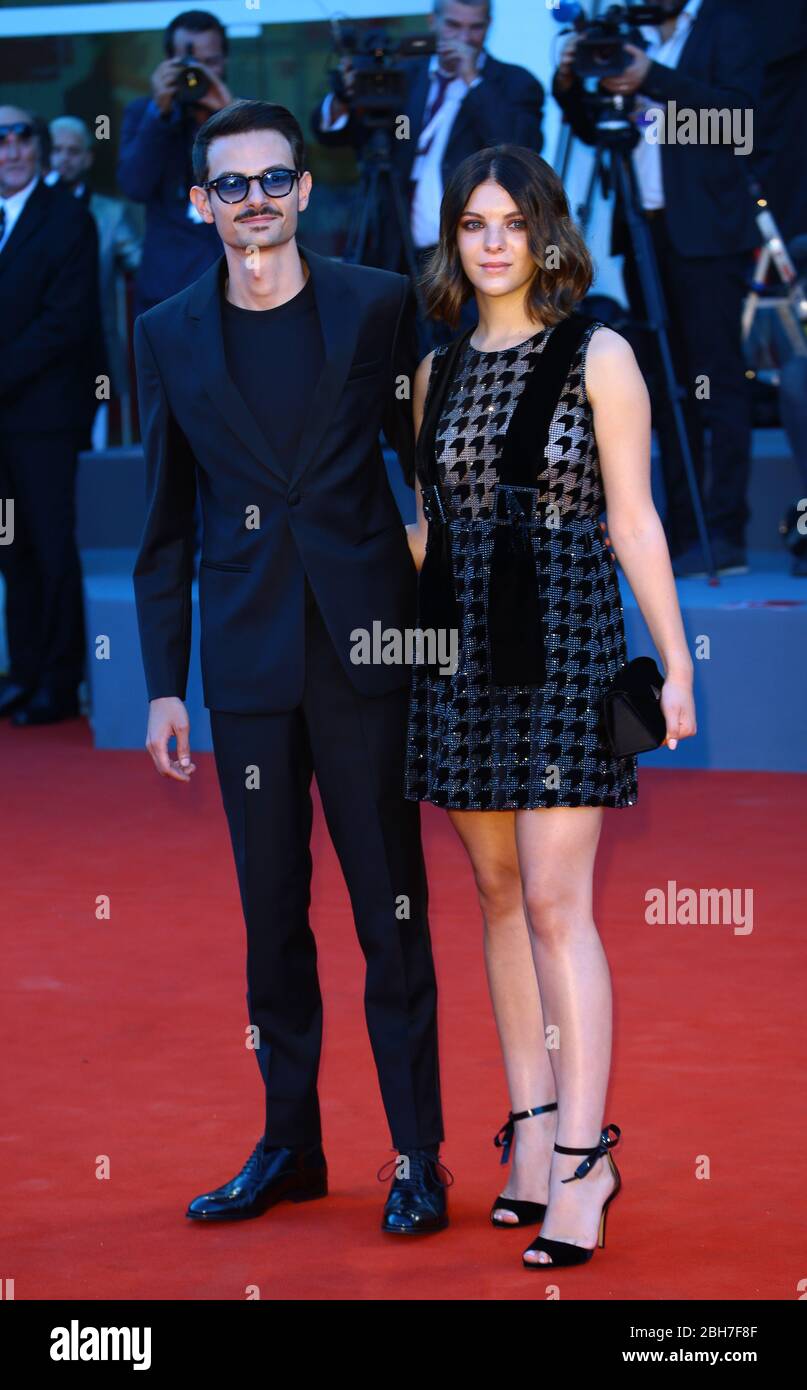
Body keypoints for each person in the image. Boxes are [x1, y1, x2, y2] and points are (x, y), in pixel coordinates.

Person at [131, 99, 449, 1235]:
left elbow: (436, 476)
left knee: (390, 912)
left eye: (275, 181)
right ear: (199, 200)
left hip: (369, 656)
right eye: (233, 185)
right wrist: (164, 681)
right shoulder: (167, 327)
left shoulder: (377, 304)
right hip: (249, 668)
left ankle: (418, 1154)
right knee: (271, 920)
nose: (255, 200)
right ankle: (290, 1143)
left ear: (305, 193)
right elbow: (164, 522)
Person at [403, 144, 696, 1266]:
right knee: (493, 892)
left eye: (510, 223)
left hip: (567, 642)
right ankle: (527, 1134)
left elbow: (637, 520)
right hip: (462, 655)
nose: (490, 243)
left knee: (559, 903)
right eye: (472, 223)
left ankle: (585, 1157)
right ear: (453, 237)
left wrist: (676, 659)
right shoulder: (433, 374)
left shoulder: (599, 352)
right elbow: (432, 530)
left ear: (545, 235)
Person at [554, 0, 762, 577]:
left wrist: (652, 77)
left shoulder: (729, 26)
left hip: (709, 236)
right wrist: (572, 83)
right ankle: (683, 530)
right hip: (647, 232)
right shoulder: (629, 35)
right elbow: (596, 129)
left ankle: (725, 531)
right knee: (668, 389)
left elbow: (739, 123)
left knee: (715, 382)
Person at [312, 0, 543, 345]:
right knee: (392, 353)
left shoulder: (513, 83)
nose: (463, 37)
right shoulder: (405, 74)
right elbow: (335, 133)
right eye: (453, 26)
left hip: (465, 254)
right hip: (395, 247)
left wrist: (472, 79)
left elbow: (517, 146)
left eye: (475, 27)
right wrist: (344, 96)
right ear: (432, 22)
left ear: (489, 25)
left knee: (464, 352)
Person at [0, 107, 102, 725]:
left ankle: (61, 684)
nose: (10, 149)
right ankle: (27, 669)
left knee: (50, 544)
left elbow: (65, 323)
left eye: (20, 137)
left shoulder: (68, 218)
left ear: (36, 148)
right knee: (9, 548)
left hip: (44, 417)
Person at [117, 9, 233, 316]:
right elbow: (134, 186)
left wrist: (229, 117)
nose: (199, 75)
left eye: (210, 63)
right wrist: (160, 112)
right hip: (167, 292)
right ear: (167, 65)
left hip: (237, 287)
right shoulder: (144, 114)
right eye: (189, 65)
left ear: (225, 62)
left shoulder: (245, 116)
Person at [48, 115, 142, 432]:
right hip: (31, 353)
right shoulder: (19, 210)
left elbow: (141, 265)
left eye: (73, 151)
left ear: (88, 158)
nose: (64, 158)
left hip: (92, 349)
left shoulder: (111, 213)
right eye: (56, 149)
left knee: (93, 449)